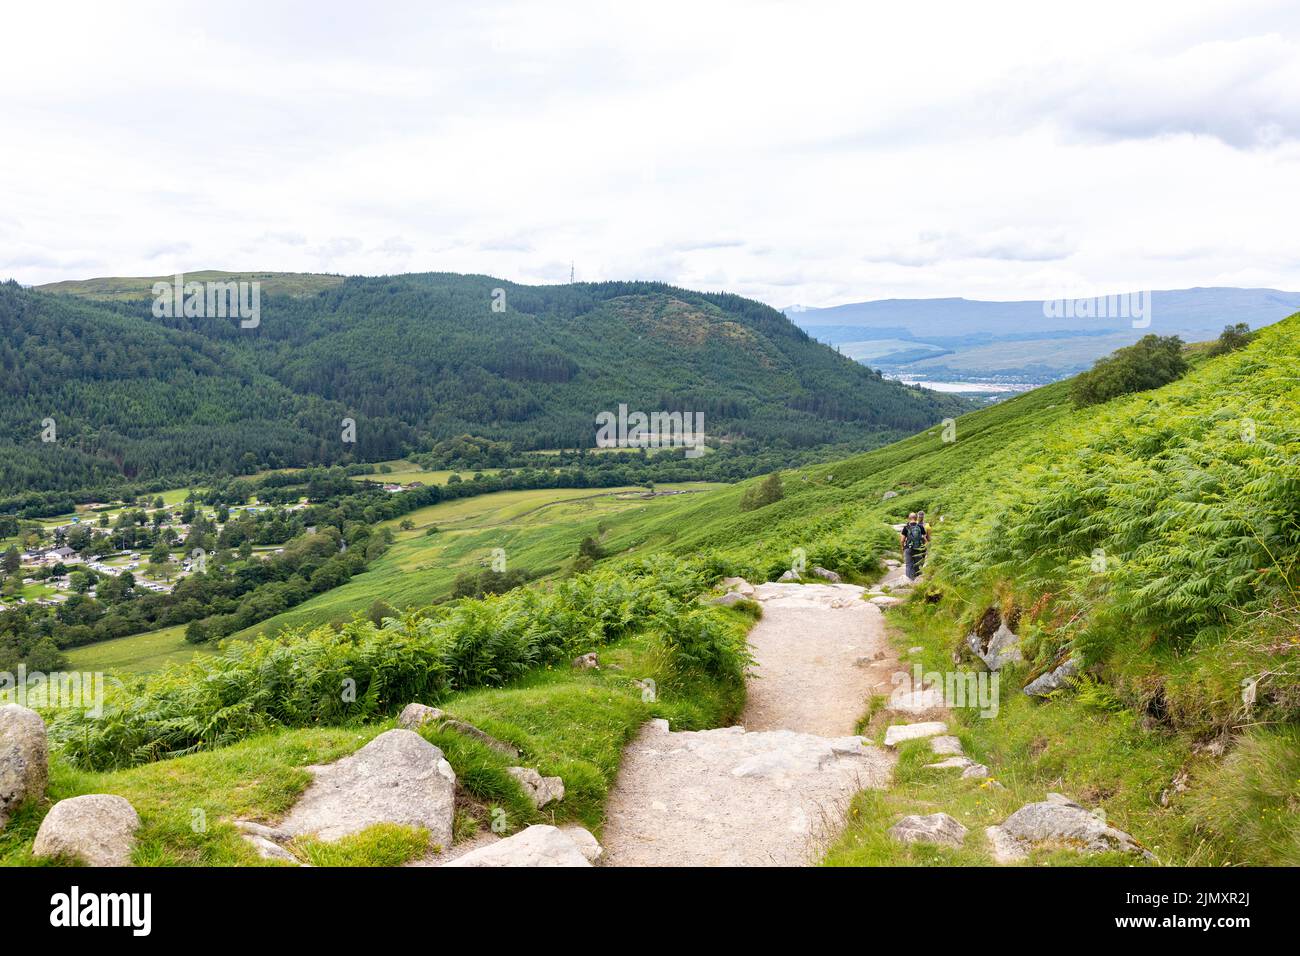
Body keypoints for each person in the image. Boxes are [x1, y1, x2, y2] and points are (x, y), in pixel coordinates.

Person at [900, 512, 926, 580]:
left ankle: (909, 581)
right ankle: (918, 581)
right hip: (918, 548)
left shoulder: (906, 527)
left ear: (909, 518)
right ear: (916, 518)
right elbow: (924, 539)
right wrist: (924, 548)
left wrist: (902, 547)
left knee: (909, 565)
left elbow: (902, 540)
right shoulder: (920, 527)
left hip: (908, 548)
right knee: (918, 565)